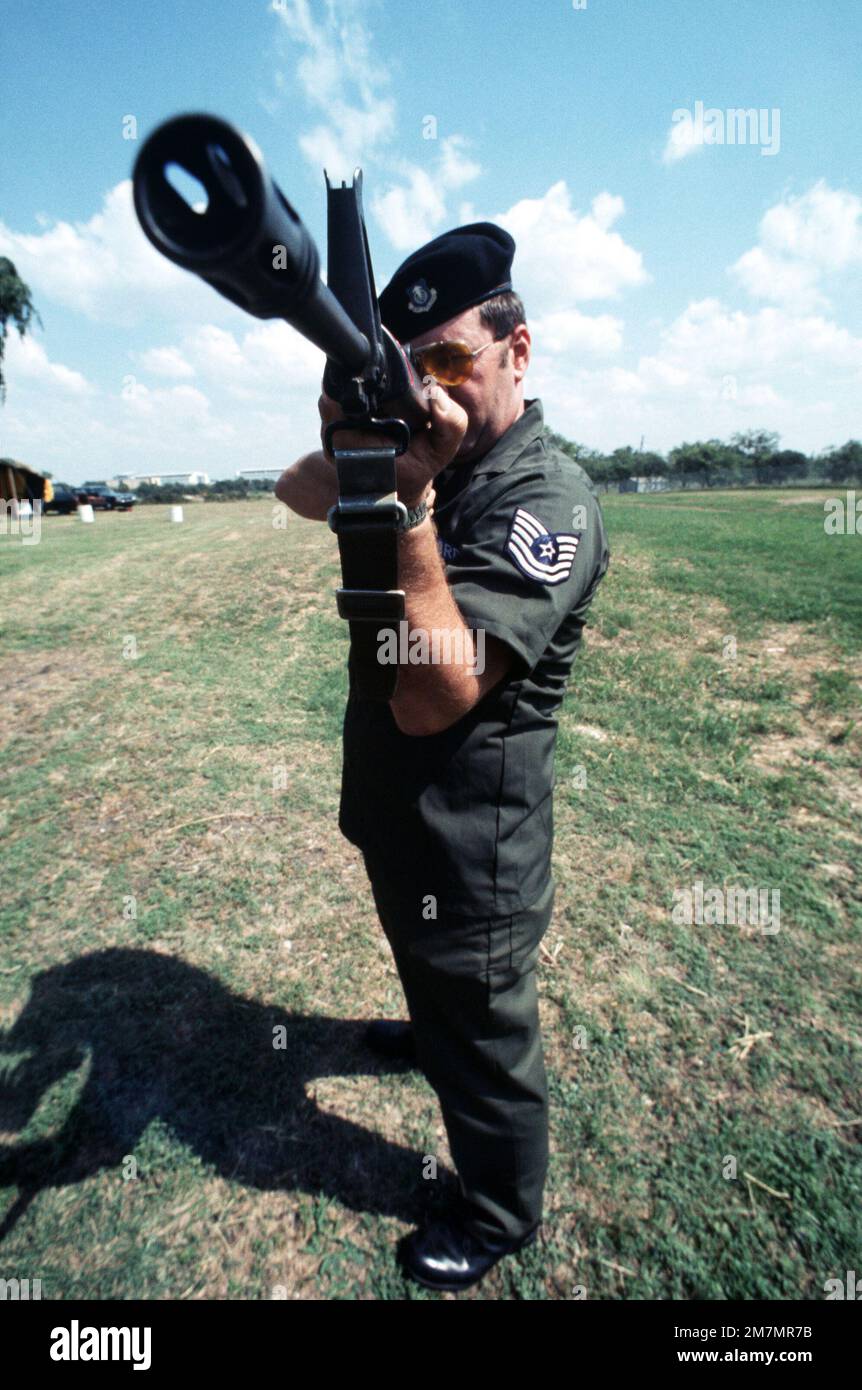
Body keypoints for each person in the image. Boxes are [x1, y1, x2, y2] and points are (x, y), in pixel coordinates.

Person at [276, 222, 610, 1292]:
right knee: (433, 979)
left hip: (474, 844)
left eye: (451, 361)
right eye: (413, 368)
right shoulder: (439, 454)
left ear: (520, 349)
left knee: (483, 1028)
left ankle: (501, 1210)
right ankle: (432, 1026)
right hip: (402, 815)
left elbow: (435, 695)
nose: (431, 390)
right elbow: (296, 488)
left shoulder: (543, 499)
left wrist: (405, 498)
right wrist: (358, 440)